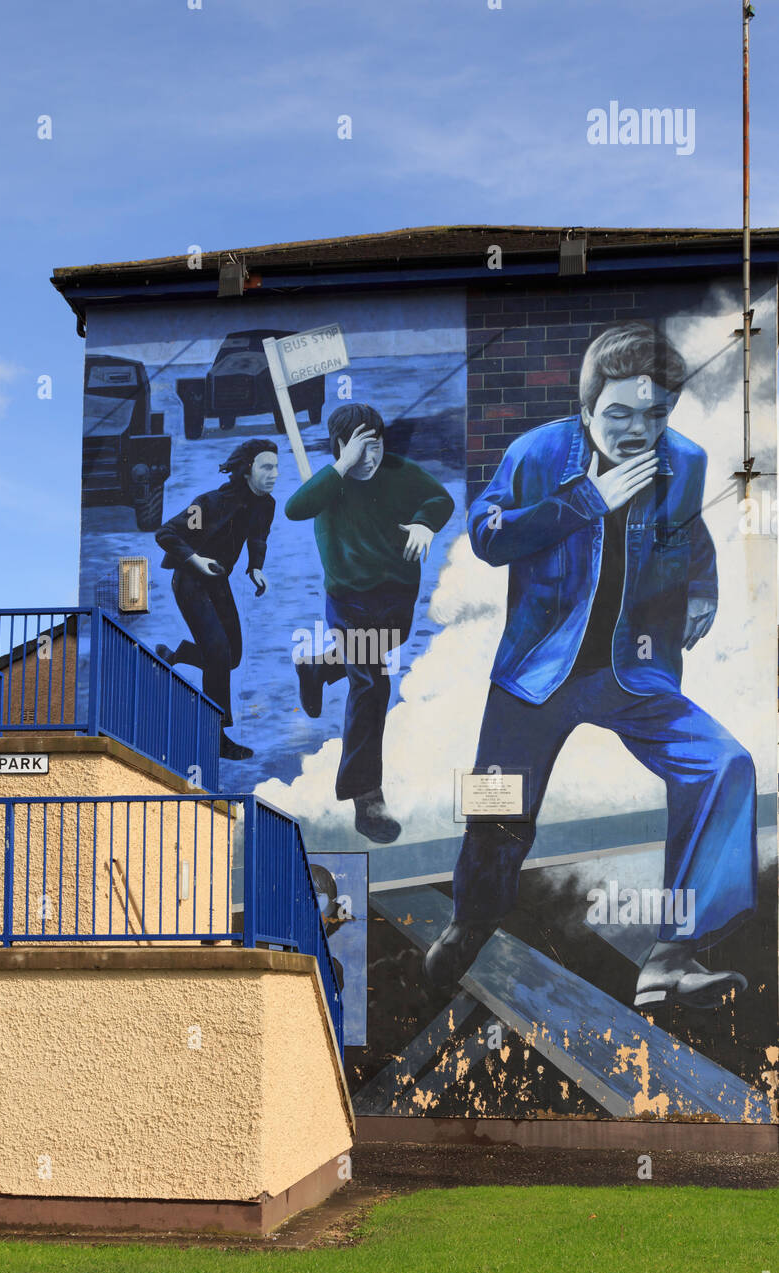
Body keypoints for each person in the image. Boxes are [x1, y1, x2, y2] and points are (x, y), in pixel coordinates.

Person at [425, 322, 756, 1010]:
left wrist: (702, 589)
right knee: (495, 811)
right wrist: (584, 503)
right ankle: (472, 920)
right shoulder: (538, 453)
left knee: (725, 764)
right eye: (620, 414)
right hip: (535, 673)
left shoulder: (685, 462)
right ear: (586, 410)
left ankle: (671, 957)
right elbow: (487, 536)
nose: (640, 430)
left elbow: (689, 533)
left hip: (629, 673)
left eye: (656, 413)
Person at [285, 404, 454, 843]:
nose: (370, 458)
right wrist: (341, 466)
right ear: (340, 448)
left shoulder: (400, 471)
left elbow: (442, 499)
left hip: (396, 598)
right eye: (359, 448)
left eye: (375, 446)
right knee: (371, 683)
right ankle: (366, 797)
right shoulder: (329, 485)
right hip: (350, 602)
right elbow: (295, 508)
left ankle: (319, 667)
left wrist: (424, 523)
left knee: (383, 647)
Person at [154, 439, 277, 760]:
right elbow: (166, 533)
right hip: (190, 580)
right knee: (219, 653)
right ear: (248, 471)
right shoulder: (210, 503)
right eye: (267, 467)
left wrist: (256, 568)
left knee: (232, 657)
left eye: (276, 467)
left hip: (218, 581)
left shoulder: (266, 504)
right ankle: (216, 736)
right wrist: (195, 559)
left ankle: (177, 653)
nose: (274, 474)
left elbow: (258, 536)